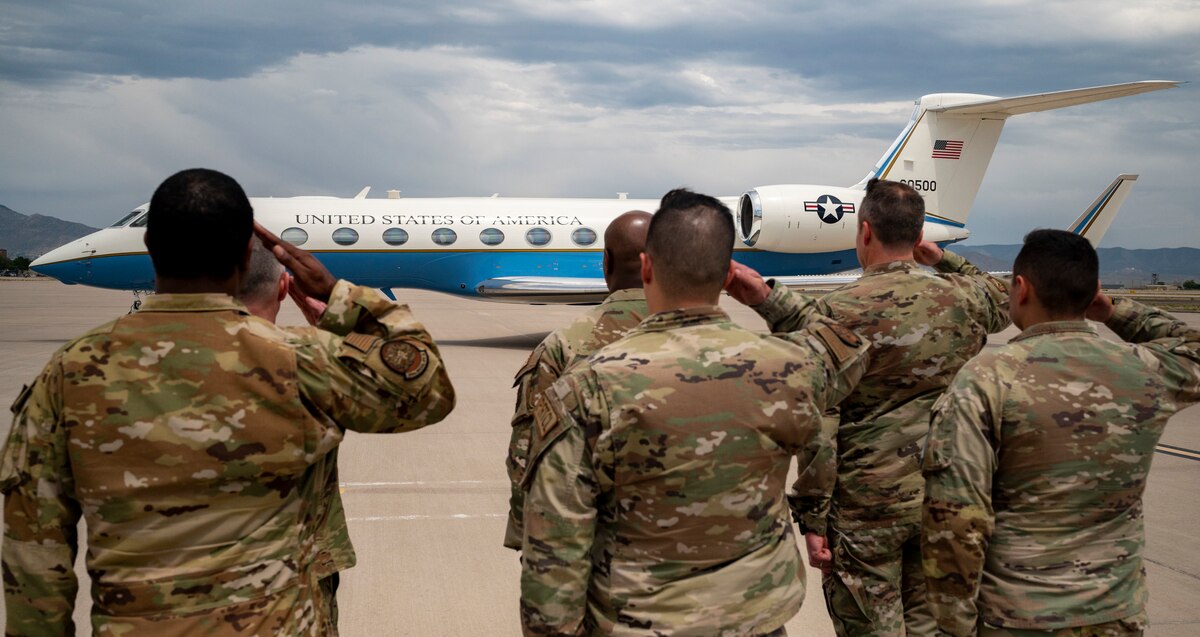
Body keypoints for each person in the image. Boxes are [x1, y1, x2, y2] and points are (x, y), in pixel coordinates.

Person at [0, 168, 456, 635]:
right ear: (246, 255)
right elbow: (427, 389)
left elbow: (34, 545)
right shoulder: (300, 359)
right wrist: (340, 297)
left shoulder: (69, 372)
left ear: (150, 248)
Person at [519, 189, 871, 636]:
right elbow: (850, 352)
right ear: (728, 274)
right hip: (757, 621)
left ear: (646, 267)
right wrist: (766, 297)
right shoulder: (790, 368)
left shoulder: (589, 387)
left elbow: (555, 545)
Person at [725, 178, 1010, 636]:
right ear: (919, 238)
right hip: (951, 493)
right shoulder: (967, 299)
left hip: (867, 502)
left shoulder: (839, 309)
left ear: (863, 232)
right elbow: (1003, 295)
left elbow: (823, 419)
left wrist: (813, 515)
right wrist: (946, 259)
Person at [921, 229, 1200, 637]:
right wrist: (1115, 312)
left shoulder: (987, 379)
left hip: (1019, 615)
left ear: (1020, 288)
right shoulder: (1143, 369)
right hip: (1114, 611)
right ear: (1093, 293)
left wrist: (954, 624)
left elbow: (957, 519)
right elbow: (1191, 346)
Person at [504, 210, 653, 551]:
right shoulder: (712, 342)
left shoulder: (562, 347)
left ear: (606, 262)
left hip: (597, 551)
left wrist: (529, 541)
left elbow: (527, 458)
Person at [236, 239, 350, 629]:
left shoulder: (80, 368)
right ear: (284, 288)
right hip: (291, 599)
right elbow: (417, 388)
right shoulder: (312, 364)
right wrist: (337, 314)